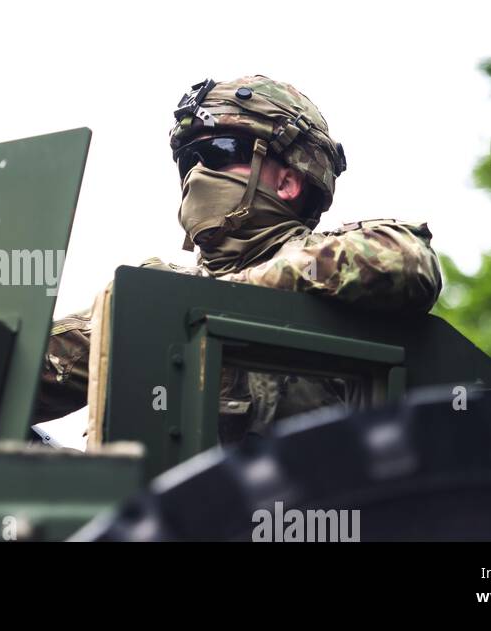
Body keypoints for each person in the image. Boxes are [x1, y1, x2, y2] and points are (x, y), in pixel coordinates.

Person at [34, 75, 444, 442]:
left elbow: (405, 261)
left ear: (288, 179)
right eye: (186, 160)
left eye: (218, 152)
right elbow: (13, 377)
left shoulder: (331, 259)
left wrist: (221, 302)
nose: (195, 174)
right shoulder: (152, 297)